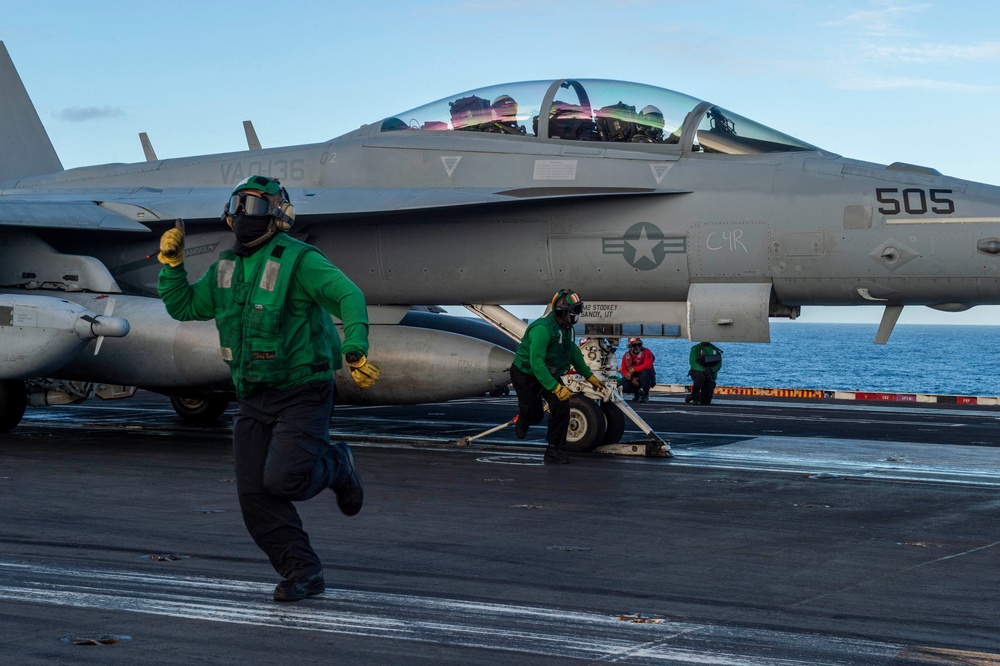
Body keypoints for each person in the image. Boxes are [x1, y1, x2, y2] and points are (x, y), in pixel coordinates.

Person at [156, 175, 381, 602]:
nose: (244, 215)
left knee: (287, 481)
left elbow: (349, 295)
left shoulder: (299, 260)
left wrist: (355, 347)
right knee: (254, 496)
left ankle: (338, 464)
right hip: (254, 395)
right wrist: (172, 266)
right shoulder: (225, 267)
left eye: (256, 207)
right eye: (238, 204)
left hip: (303, 390)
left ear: (277, 218)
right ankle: (303, 571)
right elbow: (185, 306)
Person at [509, 289, 605, 464]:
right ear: (560, 311)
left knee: (561, 406)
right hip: (527, 374)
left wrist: (588, 375)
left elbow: (572, 351)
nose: (574, 317)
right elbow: (536, 362)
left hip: (549, 373)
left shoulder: (567, 327)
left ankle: (553, 450)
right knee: (534, 415)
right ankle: (524, 420)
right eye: (572, 312)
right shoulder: (541, 329)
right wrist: (555, 387)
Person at [620, 337, 656, 403]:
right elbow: (624, 369)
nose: (637, 347)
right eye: (634, 345)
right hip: (634, 377)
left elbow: (647, 365)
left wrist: (633, 370)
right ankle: (637, 392)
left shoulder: (647, 352)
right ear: (630, 346)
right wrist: (631, 378)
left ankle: (645, 393)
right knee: (621, 385)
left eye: (639, 345)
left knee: (645, 372)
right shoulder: (626, 355)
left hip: (646, 377)